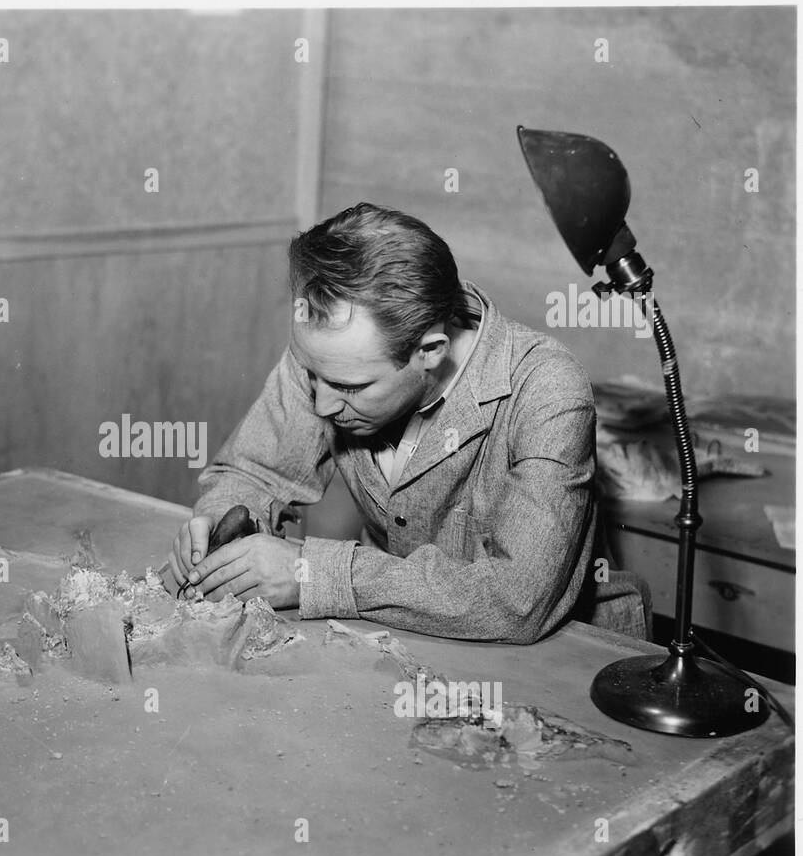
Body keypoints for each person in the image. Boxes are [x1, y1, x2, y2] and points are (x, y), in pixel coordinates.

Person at [164, 202, 649, 644]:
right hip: (405, 633)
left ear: (430, 352)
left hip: (570, 654)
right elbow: (252, 473)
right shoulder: (331, 360)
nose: (324, 405)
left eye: (352, 389)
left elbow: (517, 600)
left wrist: (312, 573)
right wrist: (220, 523)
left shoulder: (546, 388)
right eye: (314, 376)